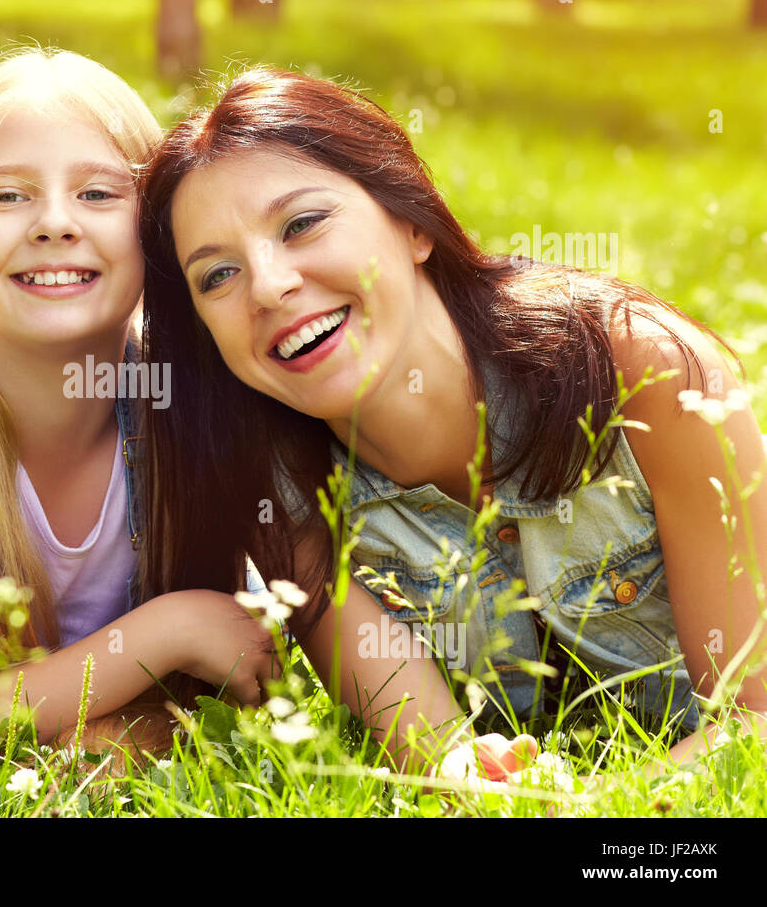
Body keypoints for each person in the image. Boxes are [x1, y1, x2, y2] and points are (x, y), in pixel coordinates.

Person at [136, 66, 767, 780]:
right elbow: (436, 758)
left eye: (302, 224)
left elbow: (757, 723)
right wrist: (482, 782)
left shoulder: (644, 373)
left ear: (412, 223)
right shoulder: (283, 491)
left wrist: (599, 807)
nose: (270, 285)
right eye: (216, 275)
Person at [0, 47, 278, 761]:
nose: (55, 223)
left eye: (98, 194)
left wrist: (113, 733)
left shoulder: (189, 403)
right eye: (8, 196)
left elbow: (239, 680)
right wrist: (170, 631)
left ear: (156, 239)